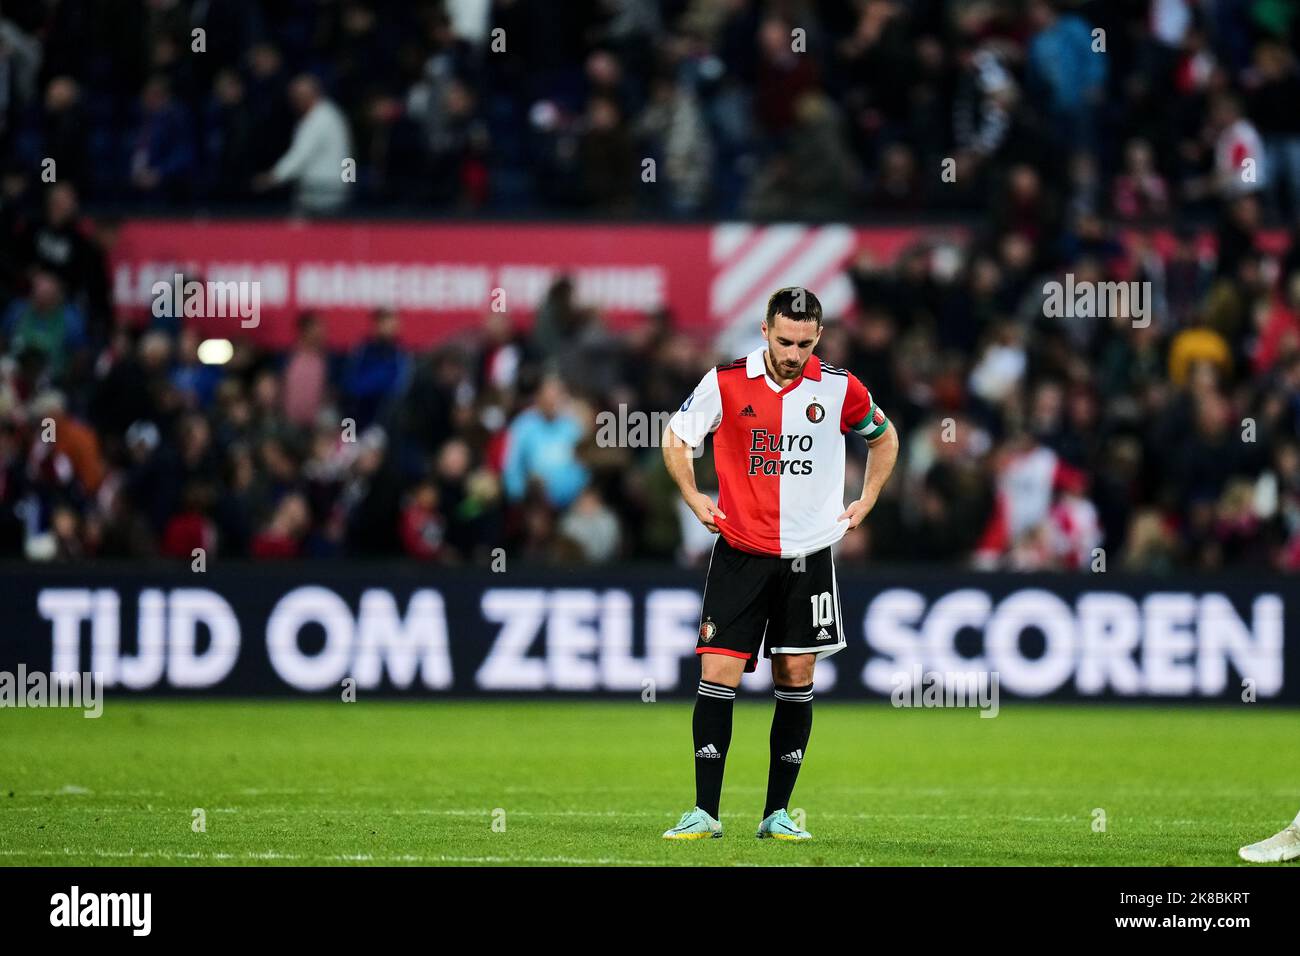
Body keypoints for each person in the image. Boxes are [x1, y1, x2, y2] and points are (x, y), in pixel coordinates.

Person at [659, 287, 899, 840]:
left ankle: (777, 814)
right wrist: (694, 496)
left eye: (804, 342)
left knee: (796, 676)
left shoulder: (839, 388)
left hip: (809, 556)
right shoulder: (725, 381)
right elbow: (676, 438)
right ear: (765, 330)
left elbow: (884, 441)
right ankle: (705, 812)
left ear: (818, 336)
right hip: (740, 551)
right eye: (784, 340)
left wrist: (869, 498)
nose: (793, 353)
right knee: (716, 671)